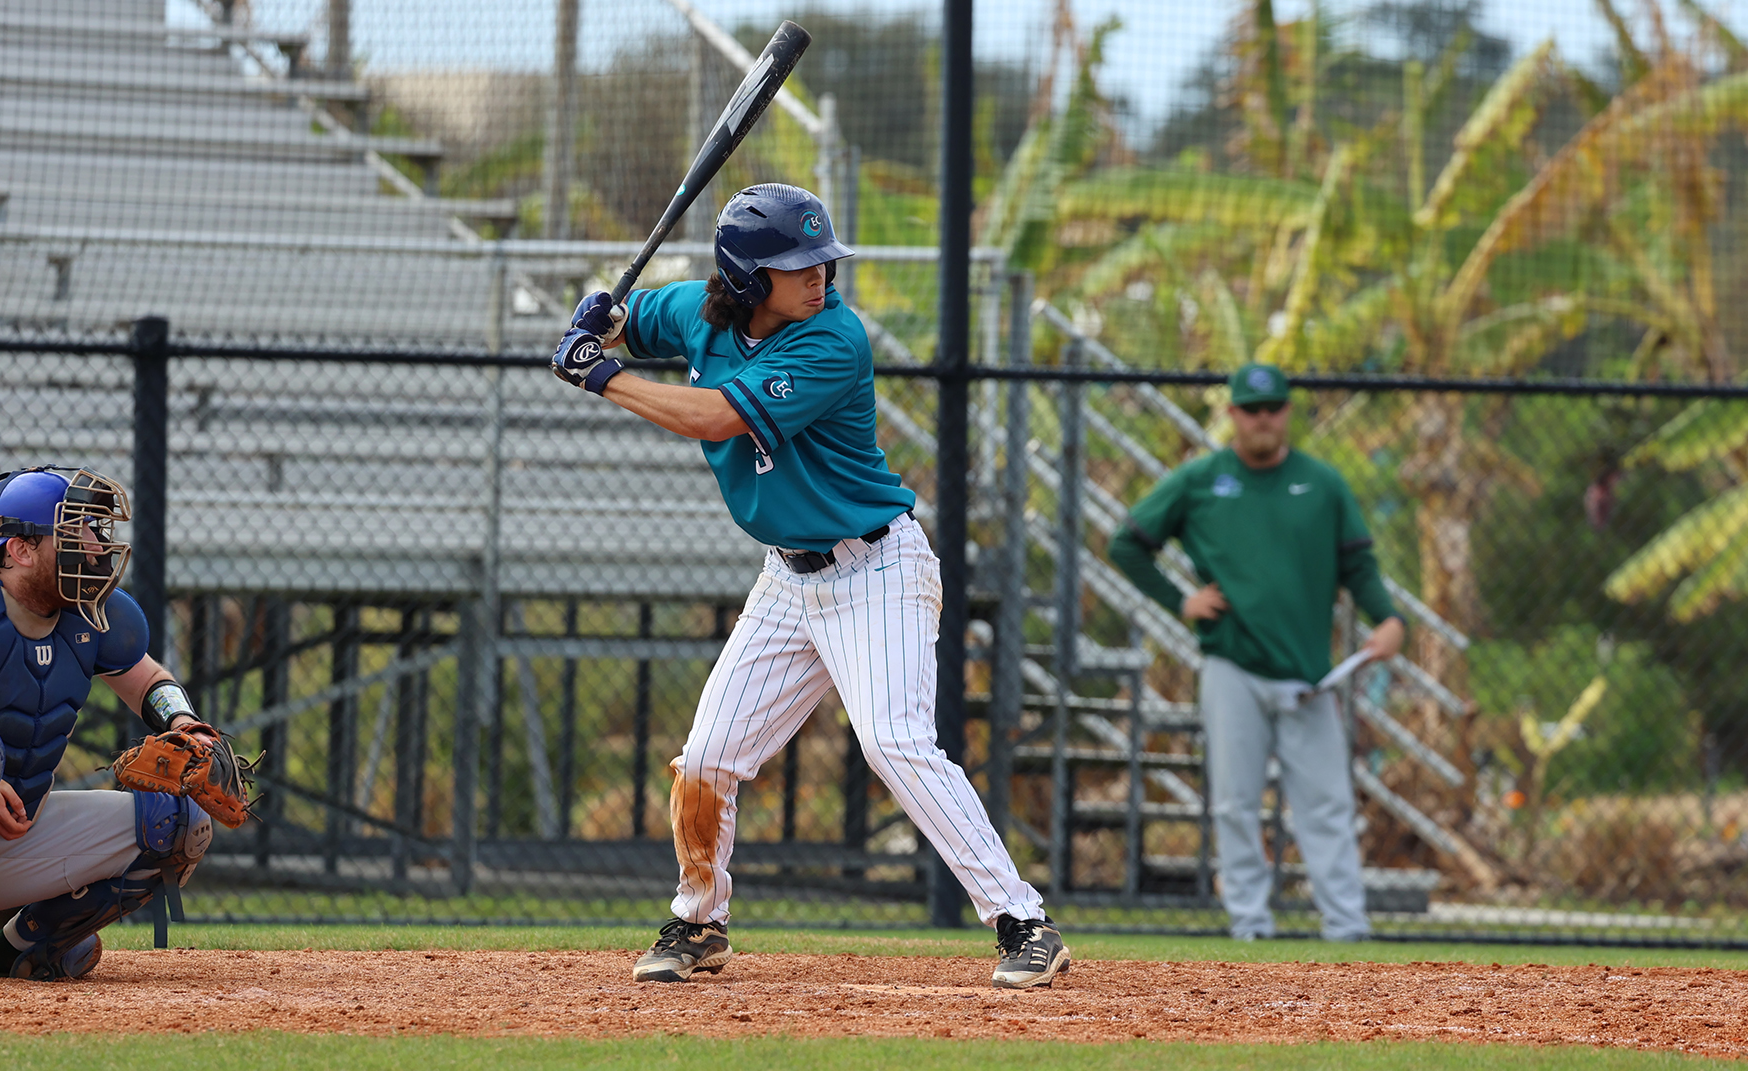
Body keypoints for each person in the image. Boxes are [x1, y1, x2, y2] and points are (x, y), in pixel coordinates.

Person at [551, 184, 1069, 988]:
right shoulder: (701, 310)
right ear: (747, 279)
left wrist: (600, 376)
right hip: (787, 582)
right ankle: (699, 921)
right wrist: (603, 318)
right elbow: (638, 317)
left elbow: (714, 418)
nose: (820, 276)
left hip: (877, 572)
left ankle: (1022, 921)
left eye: (824, 261)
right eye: (798, 267)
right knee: (706, 762)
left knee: (895, 743)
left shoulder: (833, 340)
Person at [1107, 363, 1405, 942]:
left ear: (1288, 411)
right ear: (1233, 414)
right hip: (1231, 667)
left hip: (1310, 675)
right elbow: (1128, 543)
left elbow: (1360, 567)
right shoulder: (1200, 479)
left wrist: (1389, 619)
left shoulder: (1323, 484)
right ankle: (1250, 928)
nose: (1263, 419)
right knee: (1234, 805)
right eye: (1251, 409)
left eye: (1273, 408)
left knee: (1326, 807)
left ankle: (1347, 929)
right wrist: (1180, 600)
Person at [0, 466, 221, 979]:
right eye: (76, 530)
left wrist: (187, 725)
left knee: (178, 823)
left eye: (96, 530)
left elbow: (149, 681)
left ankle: (15, 952)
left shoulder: (95, 616)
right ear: (19, 549)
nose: (96, 545)